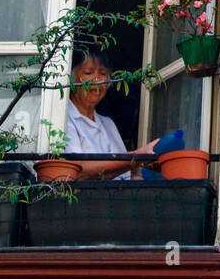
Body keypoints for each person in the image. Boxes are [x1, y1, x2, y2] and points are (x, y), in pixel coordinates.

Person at [63, 48, 158, 180]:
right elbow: (76, 171)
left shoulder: (107, 123)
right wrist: (135, 157)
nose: (97, 80)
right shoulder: (63, 117)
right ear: (72, 78)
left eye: (102, 73)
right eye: (88, 72)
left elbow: (126, 173)